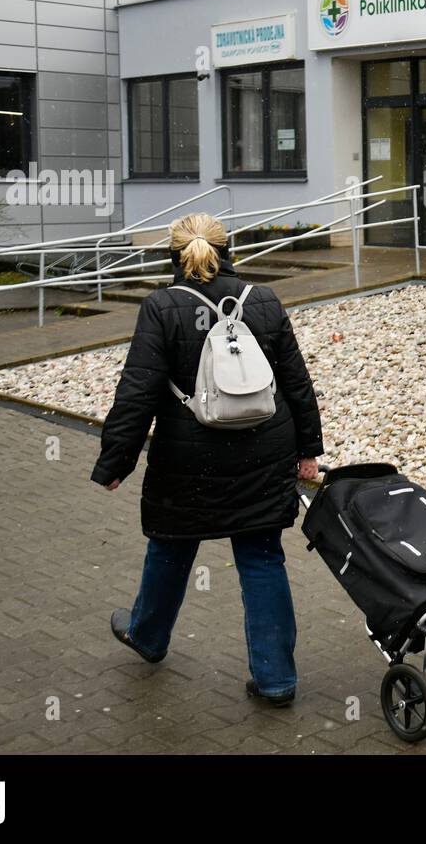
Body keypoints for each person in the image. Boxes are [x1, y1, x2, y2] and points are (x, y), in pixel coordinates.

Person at [90, 213, 323, 707]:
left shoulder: (161, 307)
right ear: (227, 249)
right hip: (265, 453)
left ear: (174, 255)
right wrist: (308, 453)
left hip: (187, 460)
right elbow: (296, 383)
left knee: (171, 547)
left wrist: (115, 462)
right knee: (262, 559)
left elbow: (137, 391)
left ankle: (147, 636)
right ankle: (276, 679)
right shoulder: (263, 300)